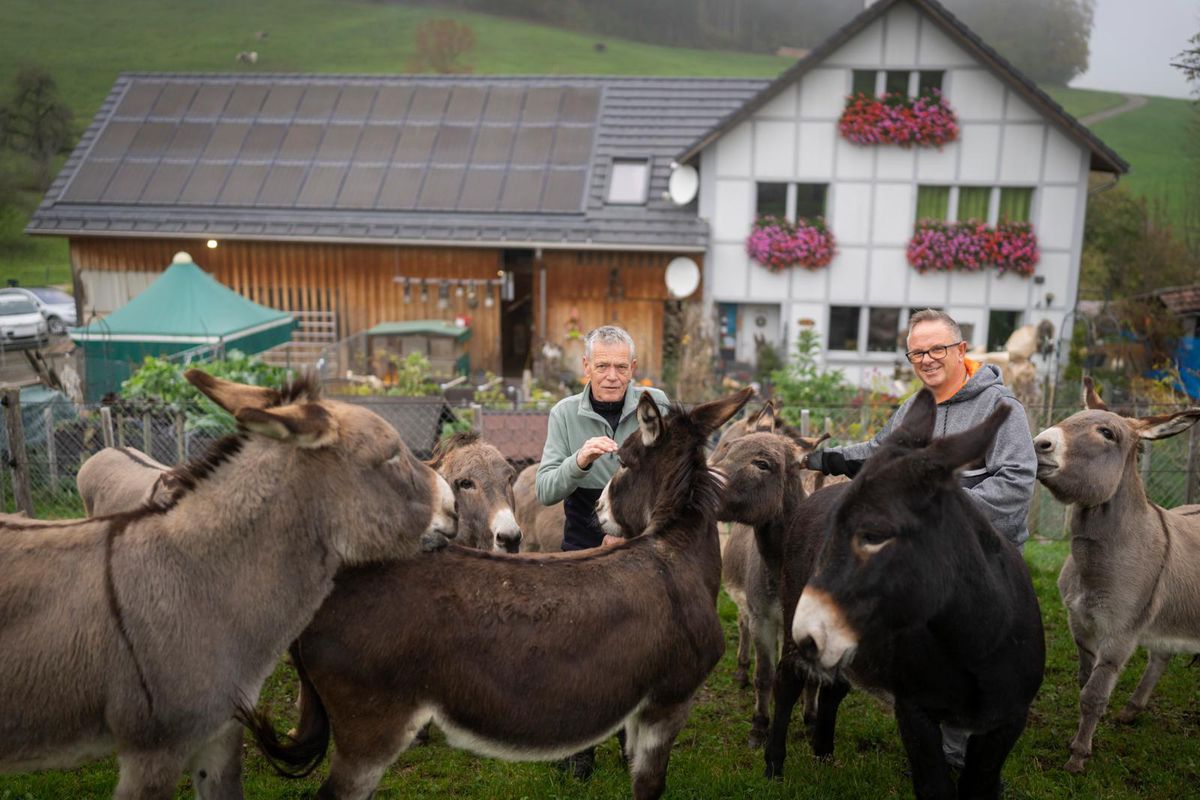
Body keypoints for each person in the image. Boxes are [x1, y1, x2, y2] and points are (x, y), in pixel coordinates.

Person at [804, 308, 1037, 768]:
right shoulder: (916, 408)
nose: (927, 359)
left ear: (961, 350)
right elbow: (878, 452)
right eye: (917, 353)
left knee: (977, 656)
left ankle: (967, 754)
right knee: (933, 654)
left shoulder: (1000, 409)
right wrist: (823, 459)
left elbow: (1015, 482)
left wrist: (938, 519)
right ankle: (940, 739)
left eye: (937, 349)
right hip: (924, 562)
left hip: (983, 564)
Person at [535, 324, 669, 778]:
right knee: (579, 641)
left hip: (641, 534)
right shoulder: (564, 414)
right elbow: (545, 490)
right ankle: (580, 740)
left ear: (634, 368)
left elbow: (676, 477)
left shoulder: (656, 404)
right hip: (584, 532)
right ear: (586, 367)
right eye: (602, 366)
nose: (612, 376)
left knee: (633, 643)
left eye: (621, 367)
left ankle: (628, 732)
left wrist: (629, 535)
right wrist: (580, 461)